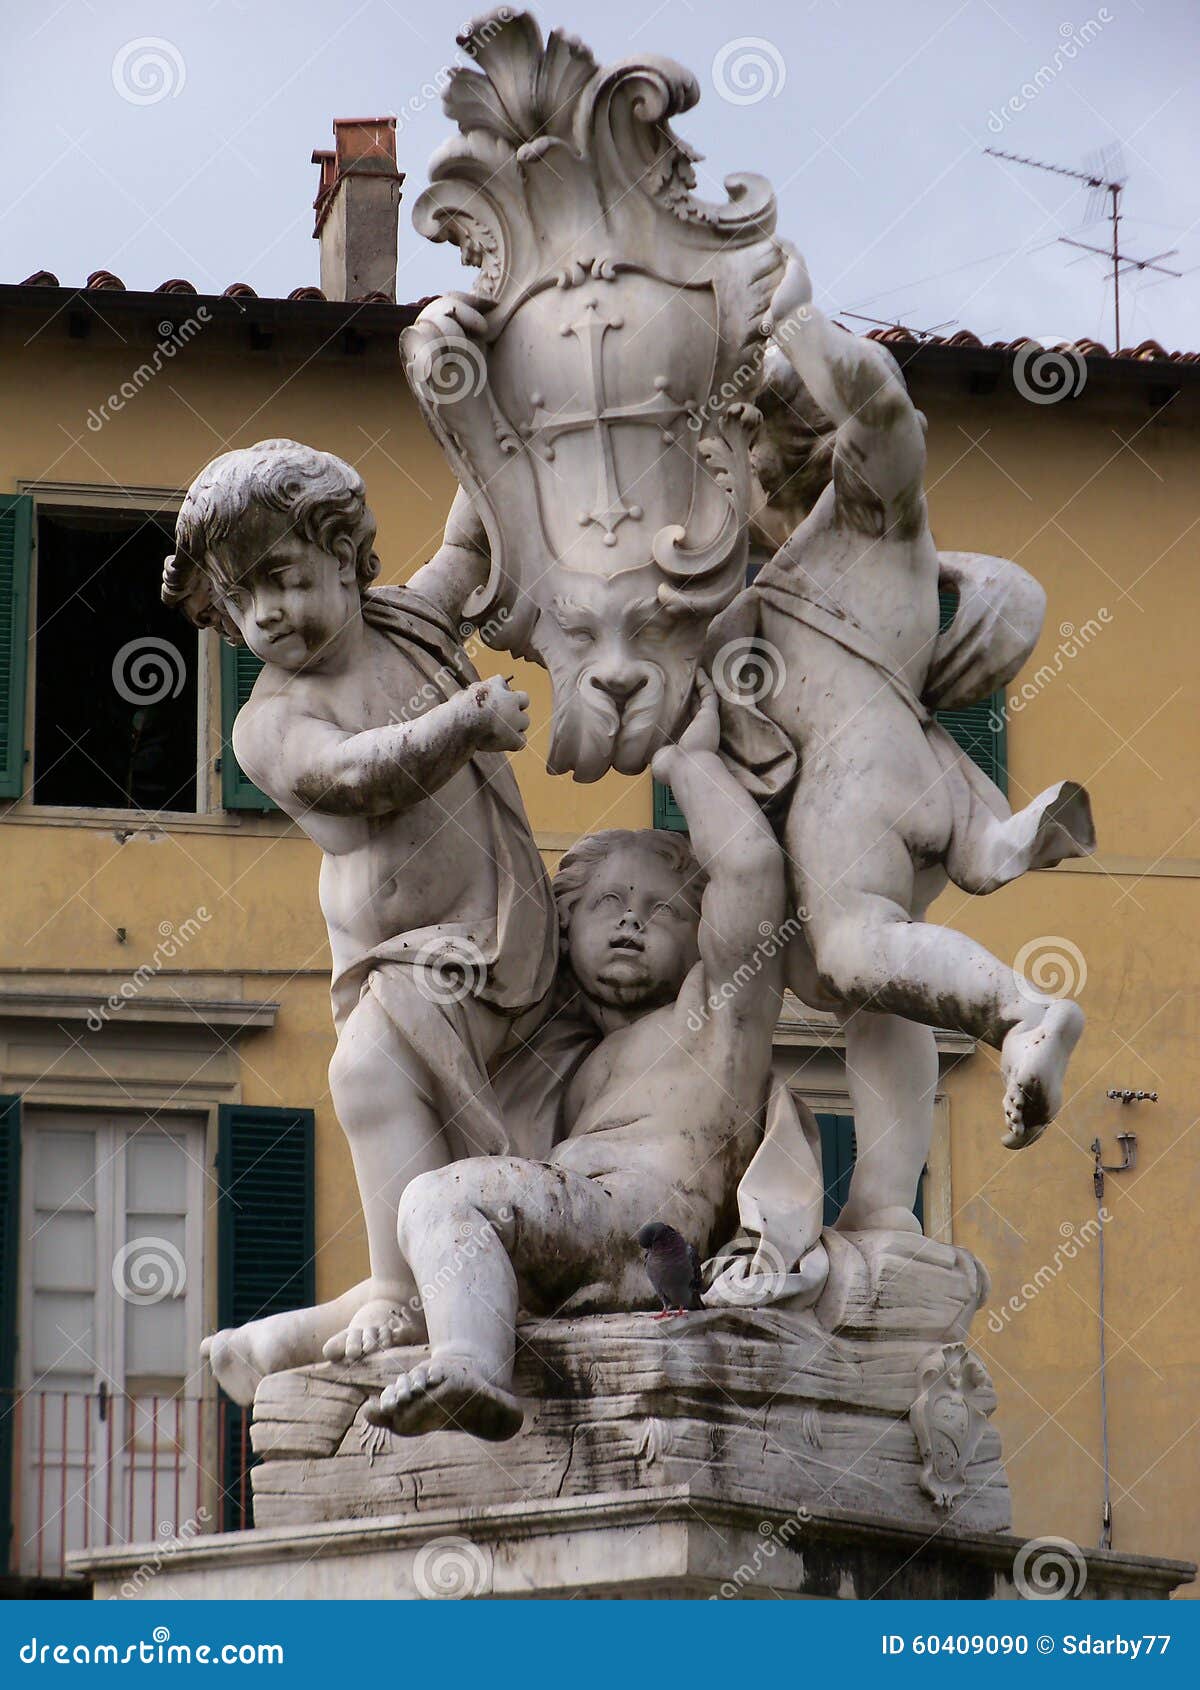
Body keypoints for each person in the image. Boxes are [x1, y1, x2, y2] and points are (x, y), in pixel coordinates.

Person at [161, 442, 556, 1401]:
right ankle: (392, 1285)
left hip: (511, 938)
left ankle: (283, 1340)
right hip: (403, 965)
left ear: (346, 555)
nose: (265, 616)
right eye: (238, 601)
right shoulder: (268, 723)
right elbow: (356, 774)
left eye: (283, 581)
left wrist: (499, 415)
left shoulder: (414, 624)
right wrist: (461, 721)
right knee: (368, 1071)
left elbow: (471, 539)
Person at [712, 247, 1095, 1152]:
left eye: (752, 456)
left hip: (864, 775)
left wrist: (799, 327)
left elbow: (882, 405)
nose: (747, 483)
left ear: (788, 443)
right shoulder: (784, 575)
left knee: (853, 948)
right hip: (898, 784)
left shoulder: (870, 516)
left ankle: (1023, 1013)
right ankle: (887, 1208)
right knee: (873, 984)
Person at [365, 675, 791, 1441]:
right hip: (568, 1235)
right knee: (436, 1212)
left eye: (662, 910)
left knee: (441, 1198)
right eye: (608, 905)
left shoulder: (718, 1014)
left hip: (641, 1229)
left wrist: (686, 761)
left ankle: (470, 1365)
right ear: (564, 930)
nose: (632, 923)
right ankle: (409, 1343)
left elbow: (755, 873)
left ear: (703, 936)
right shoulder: (564, 1055)